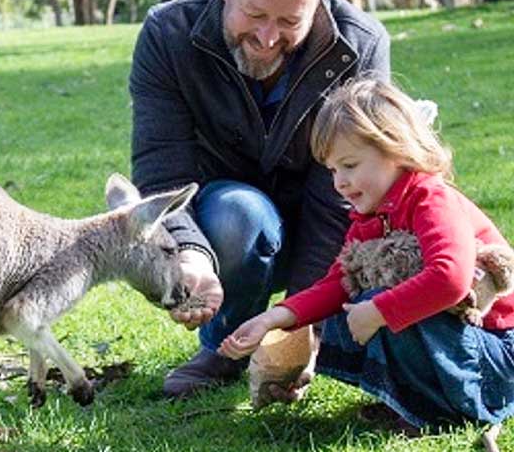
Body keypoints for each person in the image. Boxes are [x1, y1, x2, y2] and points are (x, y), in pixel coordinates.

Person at [129, 0, 392, 398]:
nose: (269, 37)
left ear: (321, 0)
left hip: (325, 224)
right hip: (225, 223)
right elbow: (161, 168)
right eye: (255, 15)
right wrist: (190, 251)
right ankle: (224, 346)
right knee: (240, 215)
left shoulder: (360, 45)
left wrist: (299, 321)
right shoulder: (167, 34)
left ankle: (306, 344)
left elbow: (342, 195)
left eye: (291, 20)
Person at [219, 78, 514, 436]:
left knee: (374, 304)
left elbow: (450, 279)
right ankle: (411, 399)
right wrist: (272, 319)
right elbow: (336, 284)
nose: (339, 182)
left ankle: (447, 407)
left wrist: (379, 311)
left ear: (396, 151)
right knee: (352, 305)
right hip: (464, 343)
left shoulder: (430, 198)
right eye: (332, 170)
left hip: (497, 350)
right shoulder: (372, 218)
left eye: (350, 165)